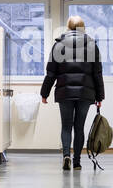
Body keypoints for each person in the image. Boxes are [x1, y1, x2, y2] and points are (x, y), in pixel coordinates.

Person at [40, 16, 104, 171]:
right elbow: (97, 73)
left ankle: (66, 155)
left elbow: (51, 72)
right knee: (79, 127)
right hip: (85, 93)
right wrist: (100, 96)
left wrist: (45, 93)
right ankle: (76, 162)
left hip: (65, 92)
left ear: (68, 27)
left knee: (66, 126)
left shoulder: (59, 45)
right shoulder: (91, 45)